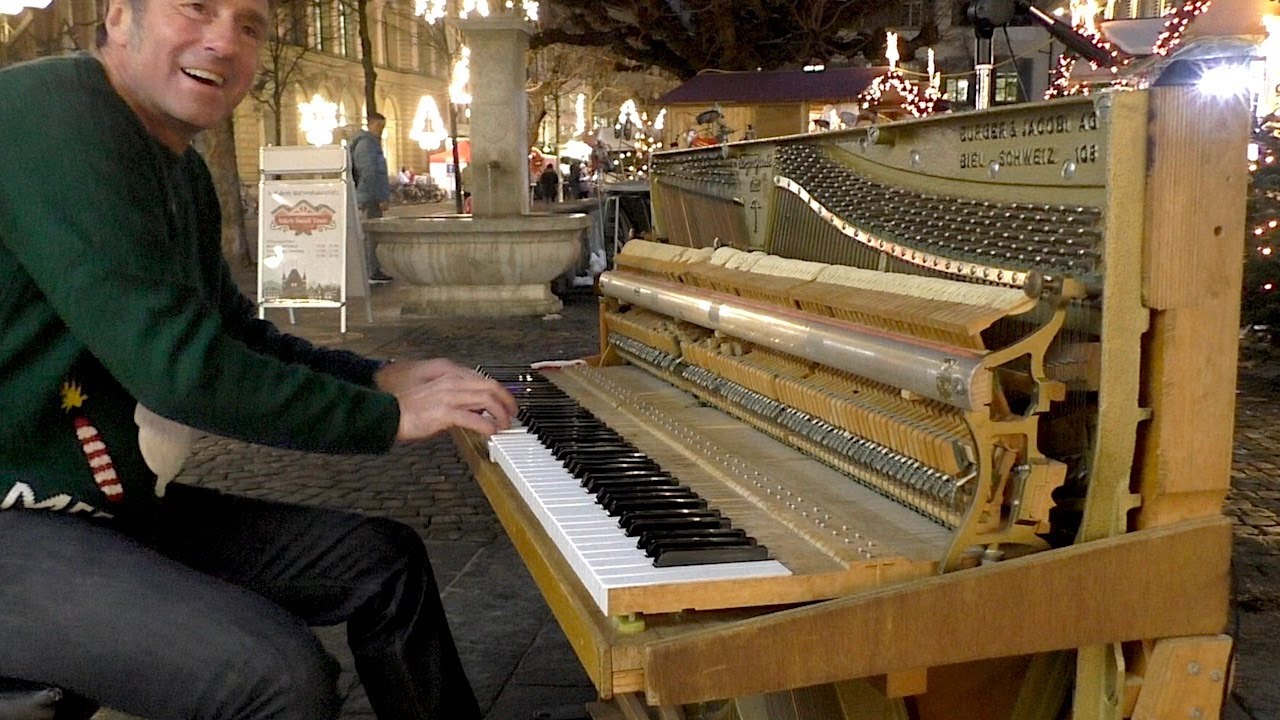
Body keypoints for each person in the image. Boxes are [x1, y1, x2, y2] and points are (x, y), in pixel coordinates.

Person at [0, 0, 518, 718]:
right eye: (197, 8)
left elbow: (231, 333)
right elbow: (176, 366)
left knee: (382, 562)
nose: (225, 40)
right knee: (274, 677)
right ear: (120, 17)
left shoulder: (172, 161)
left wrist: (373, 375)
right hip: (16, 520)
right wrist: (383, 417)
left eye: (250, 25)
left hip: (101, 506)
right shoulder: (54, 116)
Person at [351, 112, 393, 284]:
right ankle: (371, 271)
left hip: (370, 196)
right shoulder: (367, 145)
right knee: (371, 235)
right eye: (379, 127)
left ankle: (373, 269)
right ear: (370, 125)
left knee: (373, 235)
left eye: (383, 127)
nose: (381, 131)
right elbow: (370, 173)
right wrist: (379, 197)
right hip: (369, 197)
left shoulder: (371, 144)